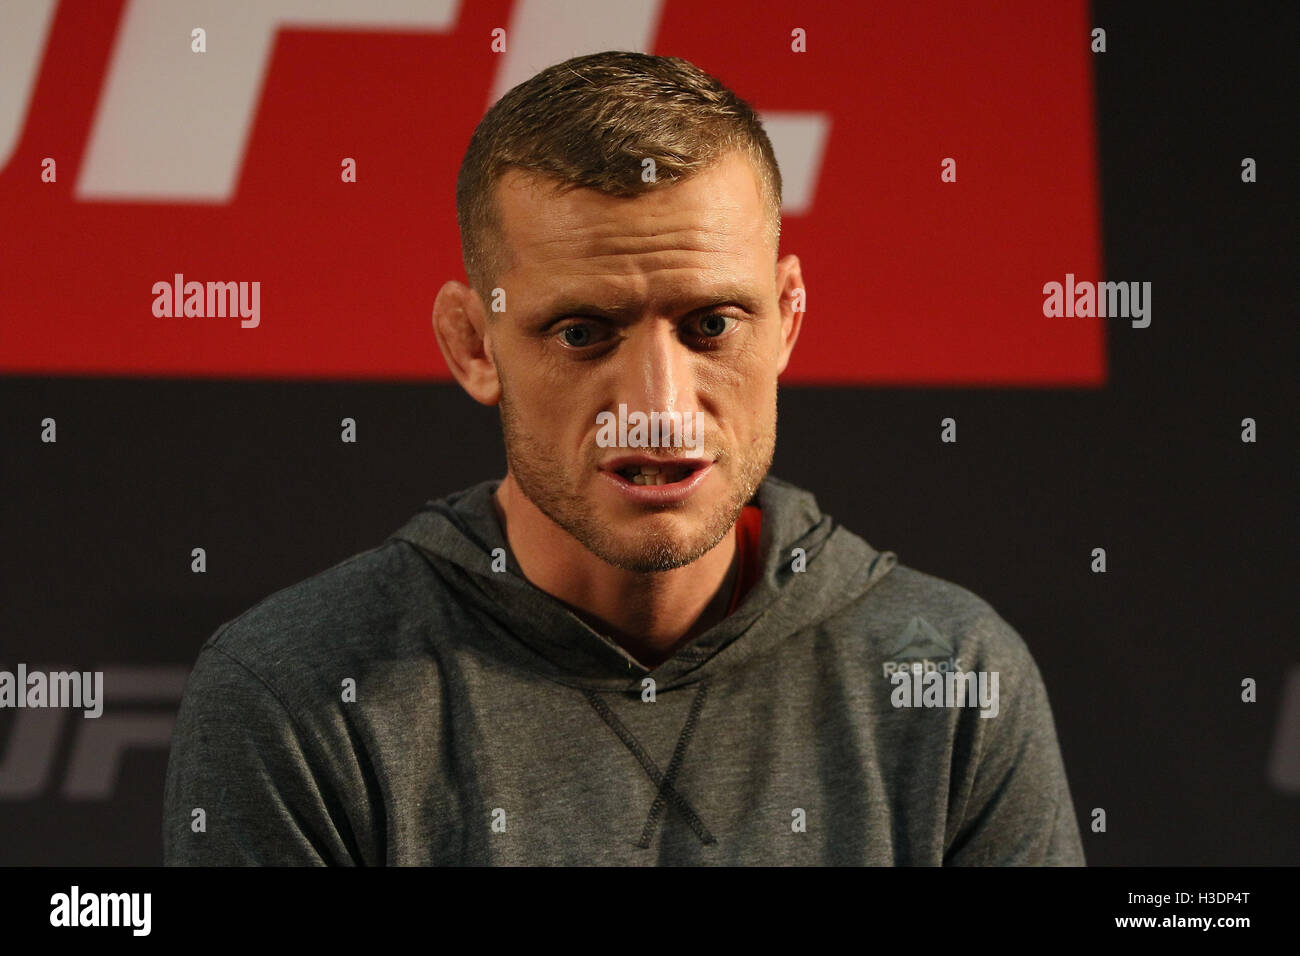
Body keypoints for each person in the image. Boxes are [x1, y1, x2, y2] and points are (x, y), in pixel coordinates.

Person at [163, 50, 1085, 865]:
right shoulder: (296, 697)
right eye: (582, 332)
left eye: (711, 324)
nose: (656, 408)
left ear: (789, 317)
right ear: (473, 345)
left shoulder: (954, 678)